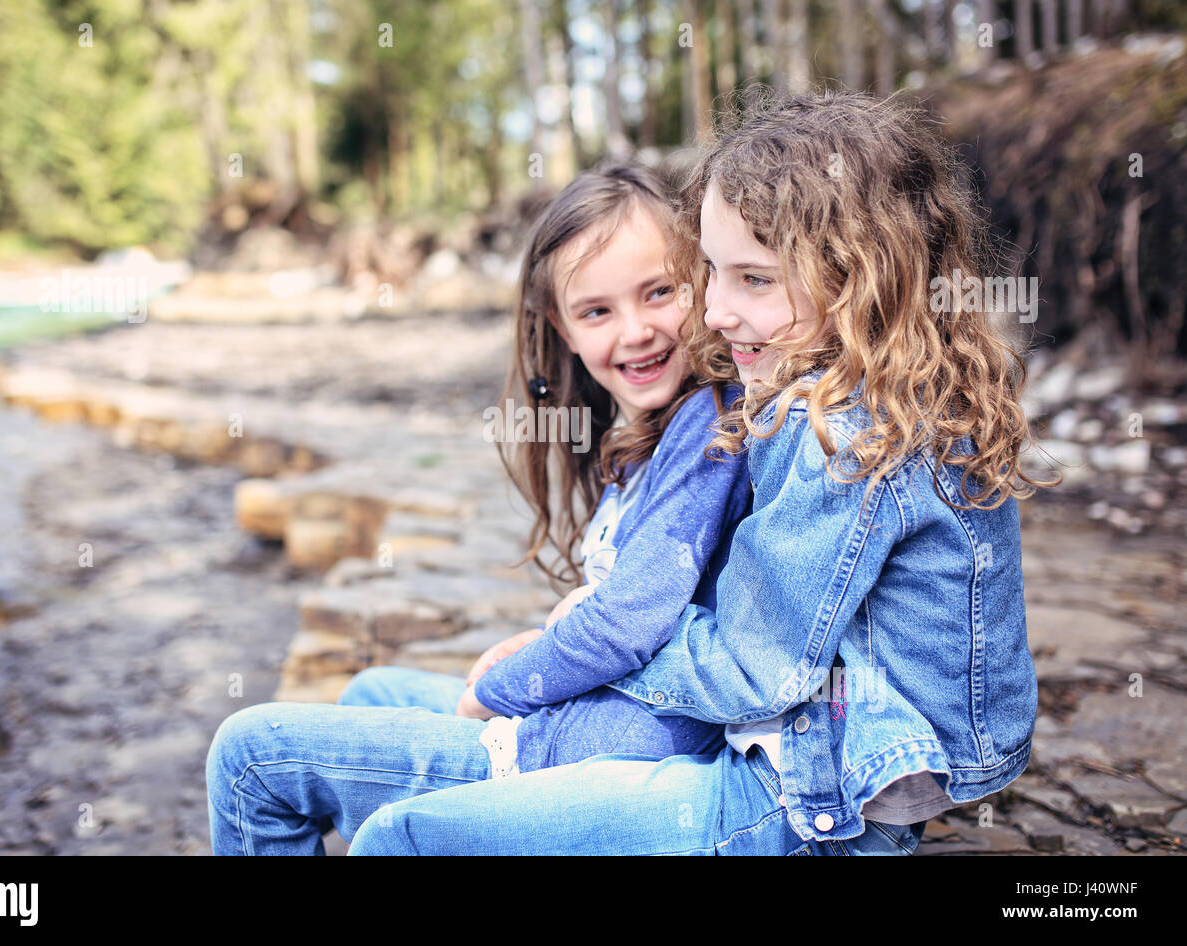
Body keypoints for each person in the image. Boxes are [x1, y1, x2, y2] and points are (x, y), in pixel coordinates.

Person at [344, 89, 1058, 856]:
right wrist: (589, 633)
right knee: (373, 709)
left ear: (860, 279)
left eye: (751, 279)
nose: (714, 311)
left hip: (812, 797)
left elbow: (756, 669)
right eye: (710, 272)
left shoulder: (839, 433)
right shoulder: (892, 392)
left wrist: (600, 635)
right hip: (827, 764)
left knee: (397, 837)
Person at [205, 163, 751, 854]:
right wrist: (544, 643)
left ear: (701, 282)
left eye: (660, 293)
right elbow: (638, 602)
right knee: (373, 688)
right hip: (602, 721)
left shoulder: (708, 423)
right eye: (598, 311)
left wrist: (495, 693)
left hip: (610, 749)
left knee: (249, 757)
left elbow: (629, 625)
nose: (636, 330)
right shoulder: (650, 435)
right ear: (562, 325)